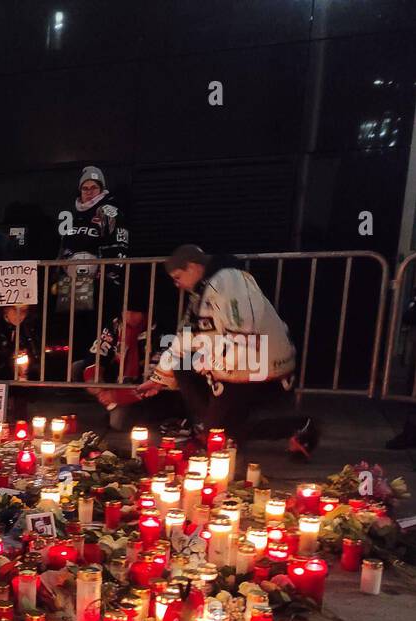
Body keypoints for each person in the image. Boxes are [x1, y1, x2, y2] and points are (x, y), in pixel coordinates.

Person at [137, 244, 316, 455]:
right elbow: (186, 336)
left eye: (178, 277)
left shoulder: (229, 281)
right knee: (183, 368)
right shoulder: (204, 291)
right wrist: (160, 377)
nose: (177, 284)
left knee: (222, 432)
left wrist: (209, 365)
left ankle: (299, 427)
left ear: (193, 267)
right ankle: (212, 427)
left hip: (256, 362)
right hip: (237, 363)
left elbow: (243, 332)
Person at [59, 166, 147, 381]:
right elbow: (63, 247)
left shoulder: (109, 210)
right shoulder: (71, 215)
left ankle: (96, 374)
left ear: (102, 189)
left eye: (94, 187)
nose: (89, 192)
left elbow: (119, 246)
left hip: (101, 282)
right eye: (85, 188)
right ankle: (76, 375)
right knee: (75, 328)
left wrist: (109, 273)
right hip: (73, 281)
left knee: (98, 327)